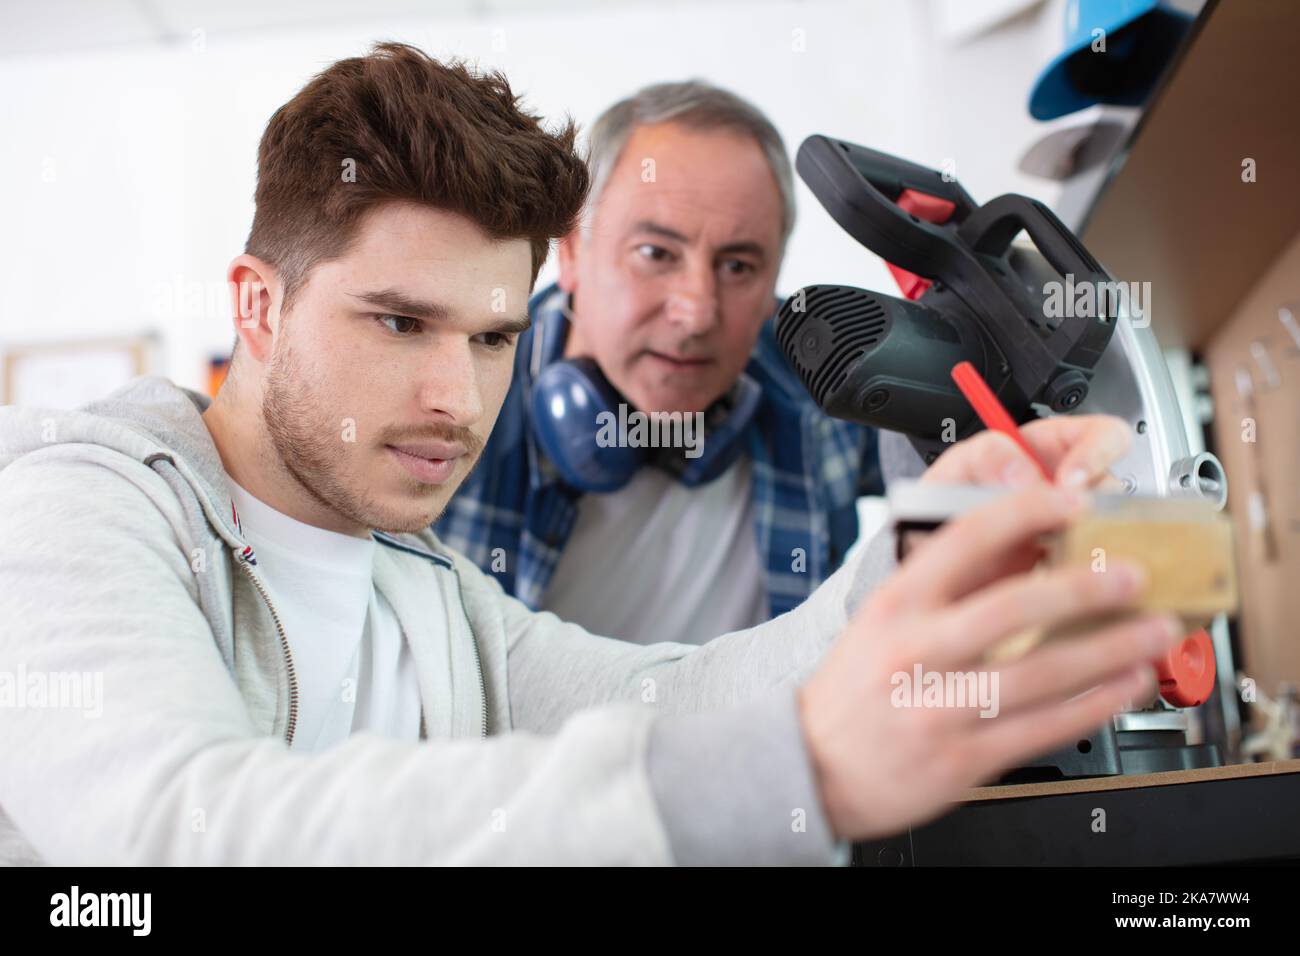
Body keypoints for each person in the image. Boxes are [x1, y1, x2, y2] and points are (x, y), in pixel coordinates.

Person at [0, 43, 1177, 865]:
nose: (452, 397)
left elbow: (665, 693)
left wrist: (913, 556)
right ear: (256, 309)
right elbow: (185, 832)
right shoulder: (76, 508)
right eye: (399, 321)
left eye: (495, 338)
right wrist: (797, 765)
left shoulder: (430, 592)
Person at [435, 81, 884, 644]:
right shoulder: (452, 406)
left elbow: (975, 463)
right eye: (655, 254)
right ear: (572, 252)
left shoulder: (818, 390)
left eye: (739, 266)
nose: (696, 314)